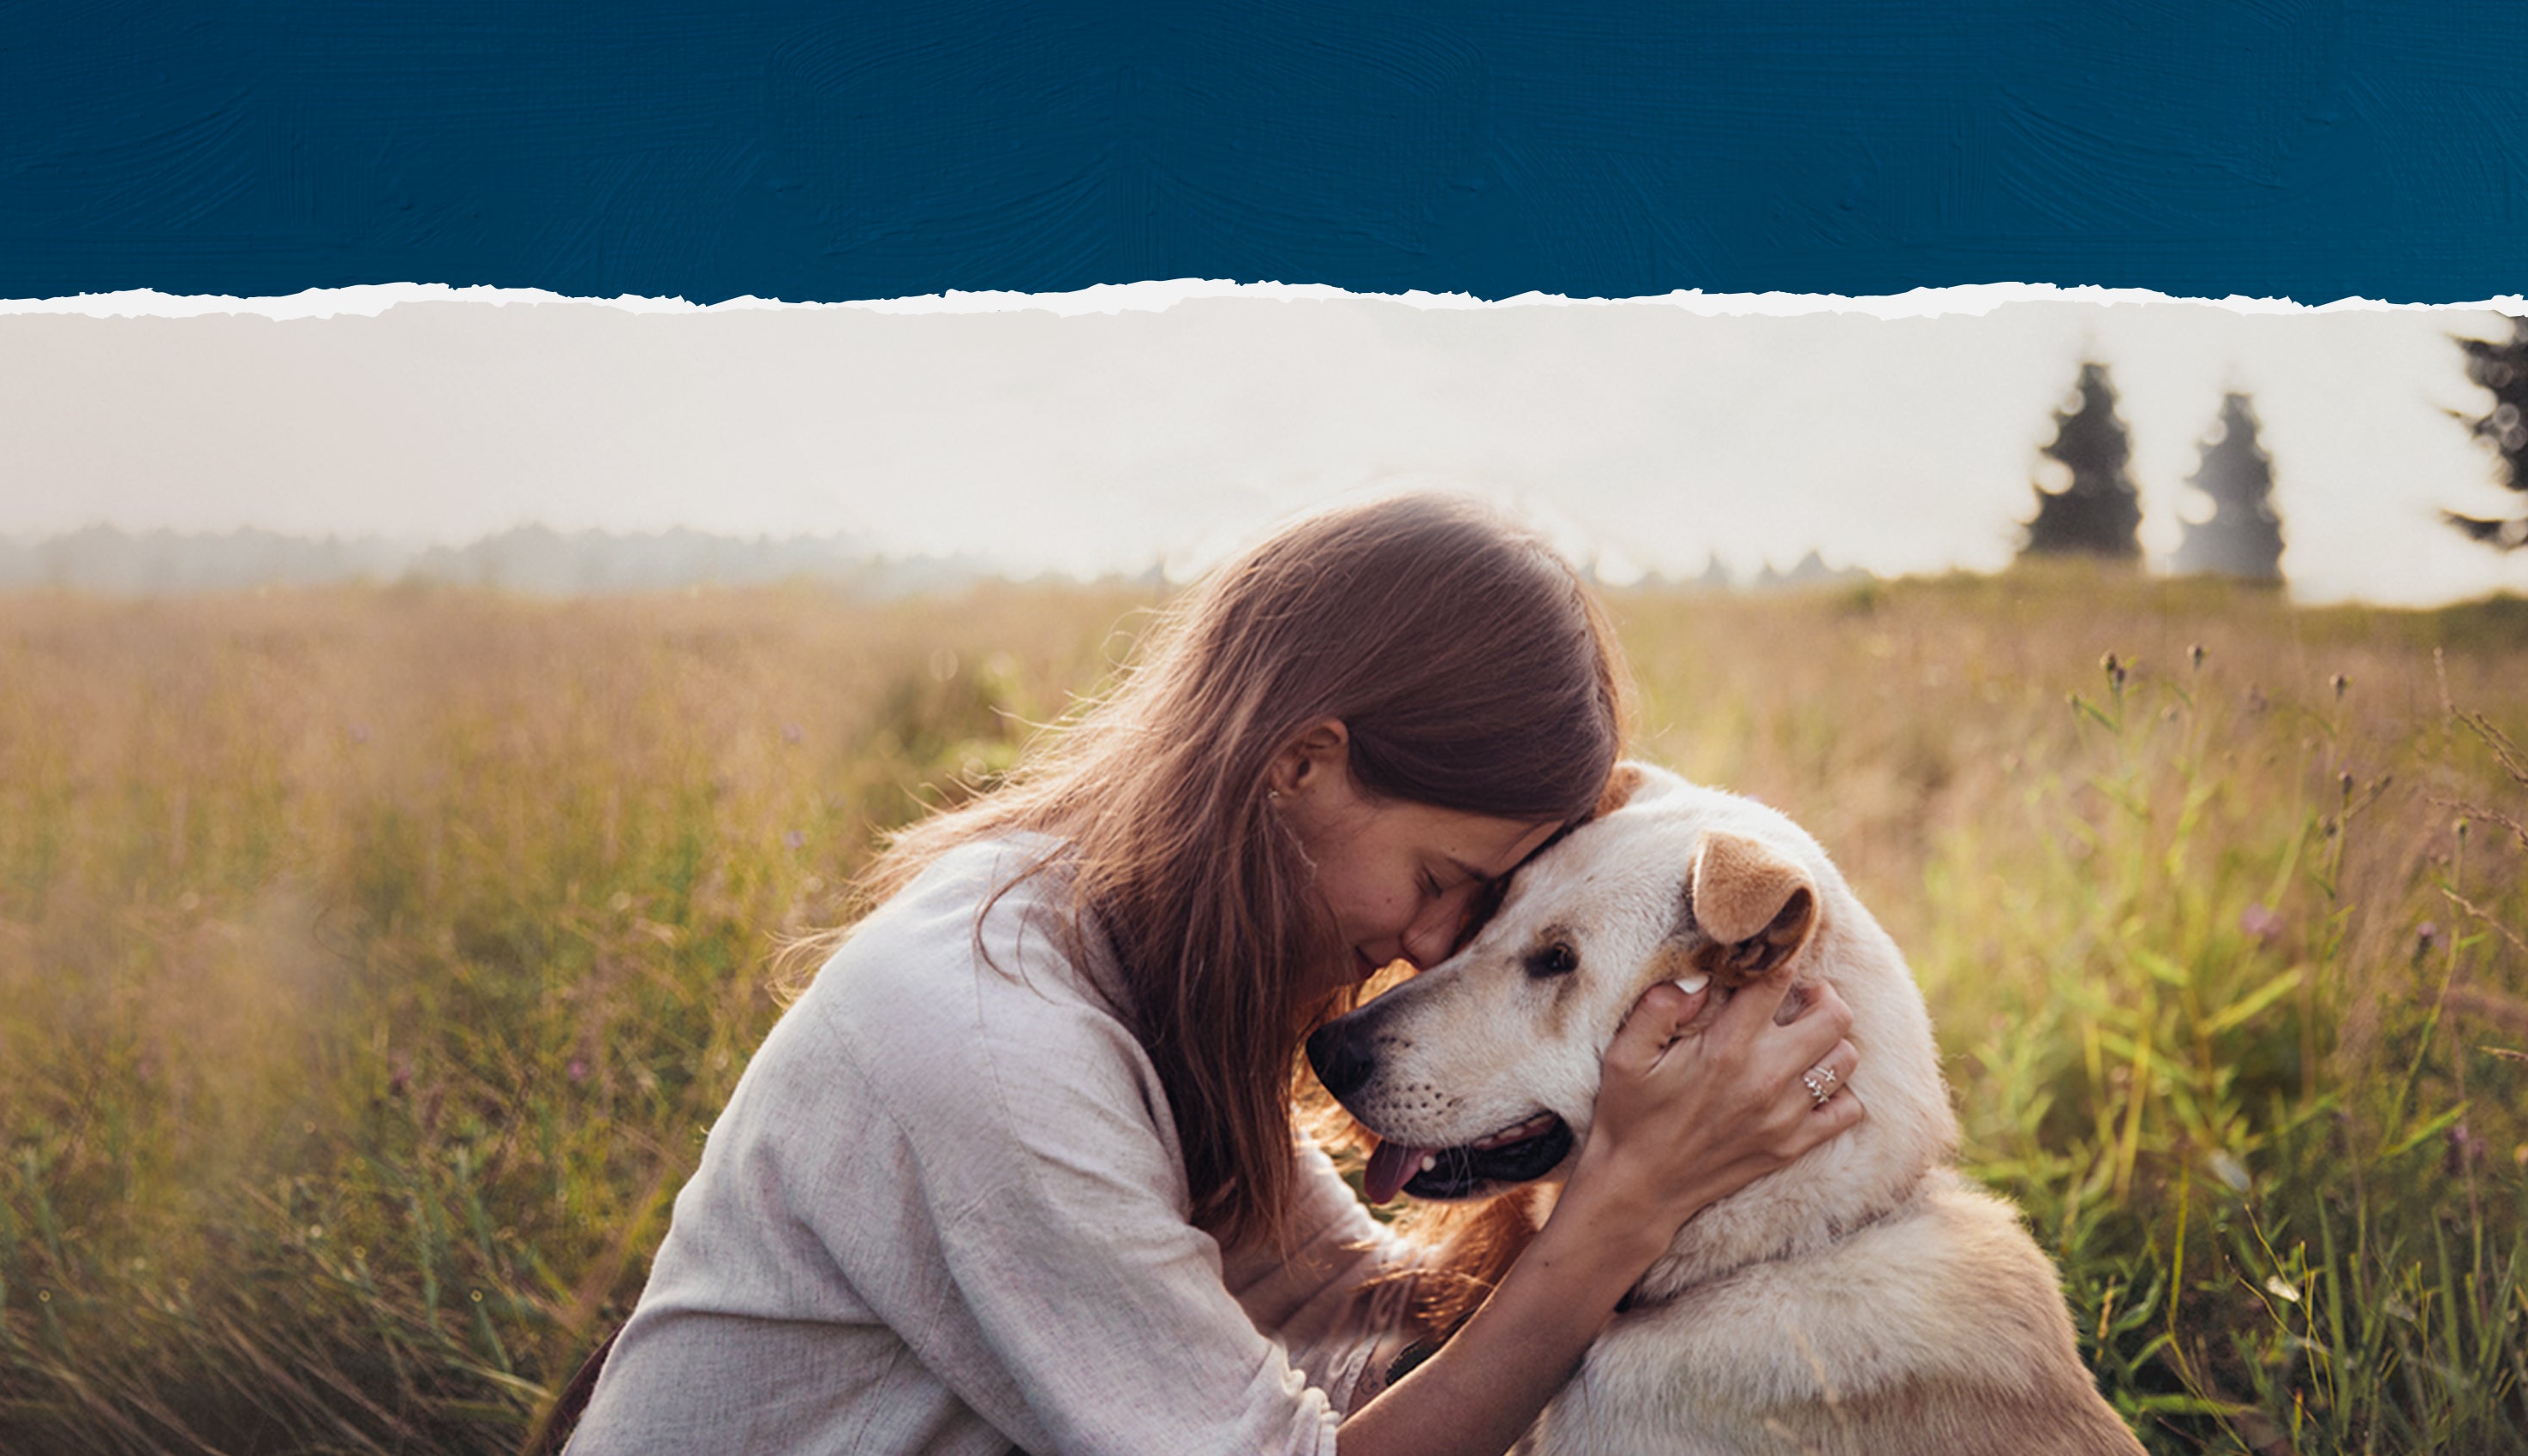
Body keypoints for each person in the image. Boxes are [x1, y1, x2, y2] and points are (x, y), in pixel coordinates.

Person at [562, 493, 1866, 1456]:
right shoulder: (986, 1042)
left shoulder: (1128, 945)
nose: (1429, 945)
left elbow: (1348, 1322)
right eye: (1434, 881)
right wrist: (1622, 1213)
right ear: (1299, 764)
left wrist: (1650, 1127)